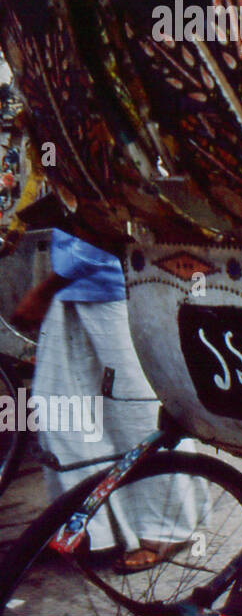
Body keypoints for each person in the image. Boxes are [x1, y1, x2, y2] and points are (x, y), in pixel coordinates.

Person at [13, 229, 201, 572]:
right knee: (59, 408)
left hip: (115, 282)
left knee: (138, 411)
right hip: (76, 284)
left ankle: (166, 528)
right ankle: (88, 529)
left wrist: (47, 287)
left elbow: (101, 225)